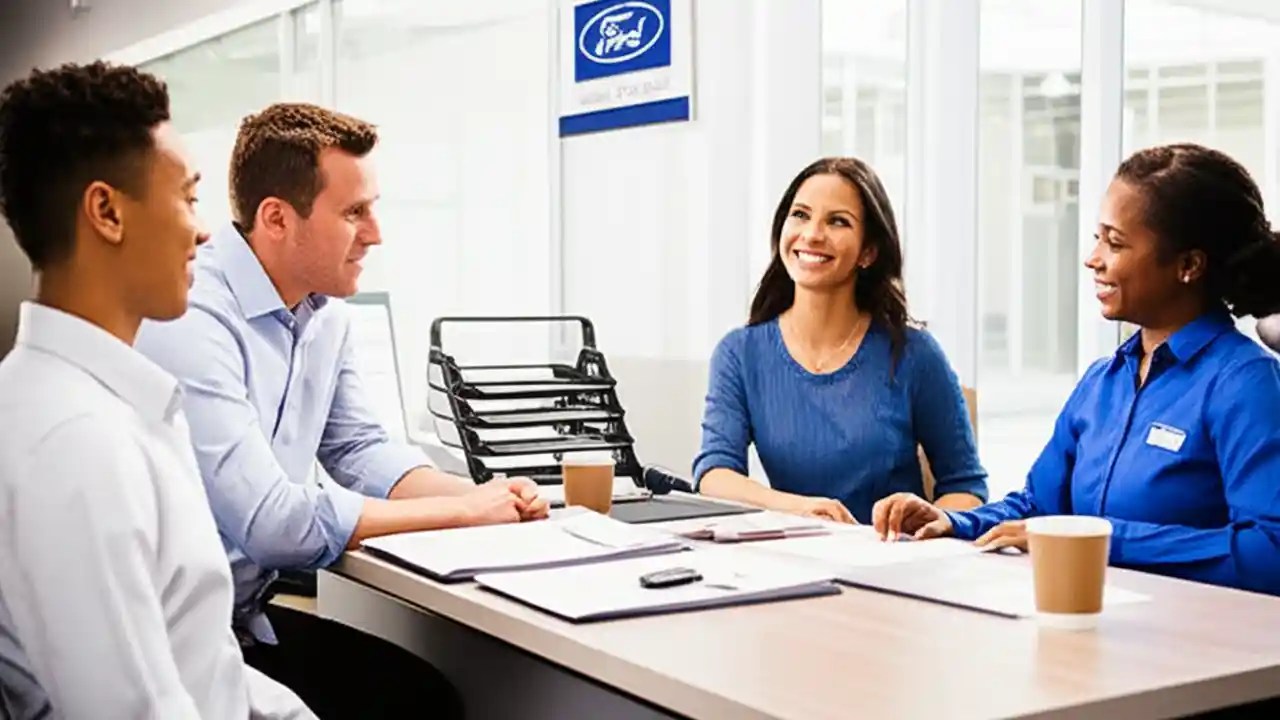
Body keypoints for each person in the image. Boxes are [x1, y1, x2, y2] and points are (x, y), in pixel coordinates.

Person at [134, 102, 547, 717]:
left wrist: (493, 499)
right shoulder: (193, 311)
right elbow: (271, 523)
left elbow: (359, 447)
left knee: (423, 698)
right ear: (276, 218)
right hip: (173, 645)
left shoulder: (324, 311)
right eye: (355, 212)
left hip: (244, 621)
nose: (375, 232)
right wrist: (461, 511)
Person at [0, 62, 313, 718]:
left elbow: (197, 660)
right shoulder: (76, 443)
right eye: (188, 198)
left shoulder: (111, 406)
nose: (203, 232)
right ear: (107, 212)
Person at [872, 143, 1280, 597]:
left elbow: (1269, 552)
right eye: (1097, 237)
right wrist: (951, 521)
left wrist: (1101, 539)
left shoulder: (1246, 383)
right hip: (1097, 625)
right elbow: (1038, 508)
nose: (1094, 258)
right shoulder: (1103, 381)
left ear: (1188, 265)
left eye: (1116, 242)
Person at [692, 157, 988, 524]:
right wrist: (799, 508)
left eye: (837, 221)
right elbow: (714, 475)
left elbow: (967, 488)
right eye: (800, 215)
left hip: (893, 564)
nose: (812, 234)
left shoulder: (916, 355)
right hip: (791, 560)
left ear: (869, 252)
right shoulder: (739, 353)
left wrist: (934, 521)